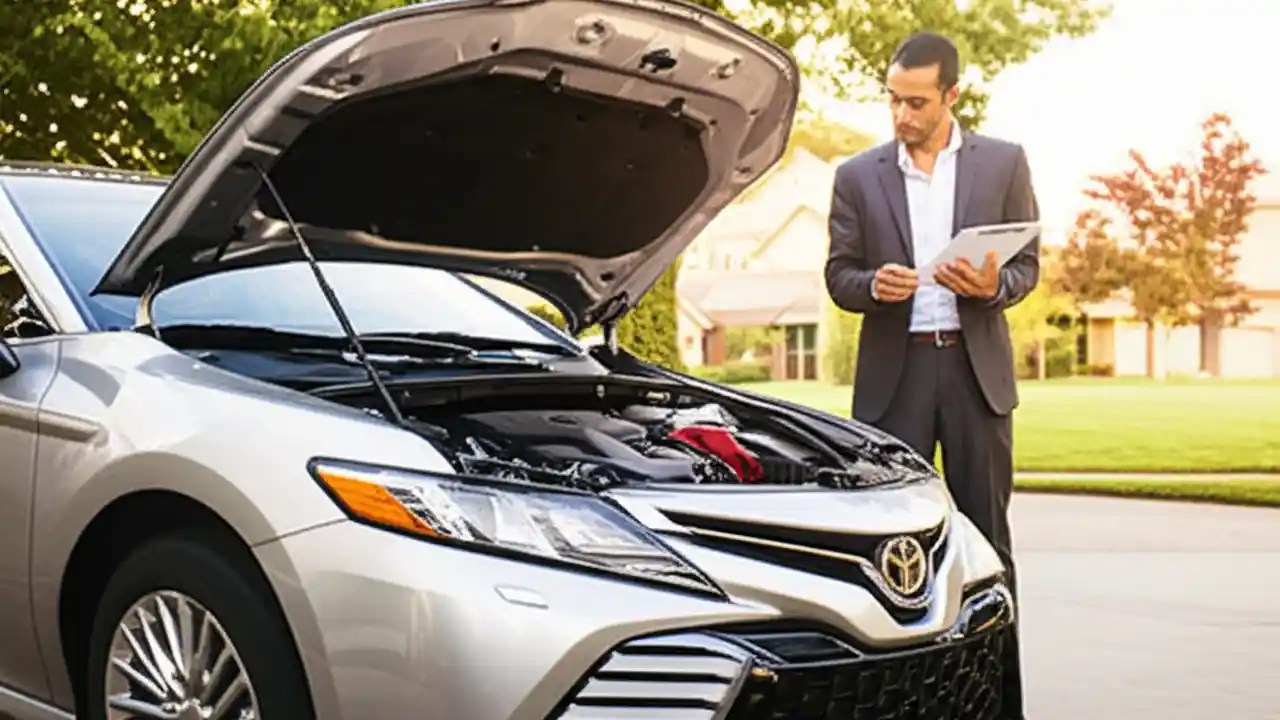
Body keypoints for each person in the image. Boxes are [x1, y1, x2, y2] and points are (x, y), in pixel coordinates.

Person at [824, 31, 1039, 720]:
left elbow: (1028, 267)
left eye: (916, 102)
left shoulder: (1003, 163)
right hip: (897, 378)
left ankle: (1001, 708)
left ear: (951, 95)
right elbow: (839, 275)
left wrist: (990, 286)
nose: (900, 114)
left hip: (976, 379)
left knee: (987, 548)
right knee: (889, 555)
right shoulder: (856, 175)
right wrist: (871, 287)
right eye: (892, 99)